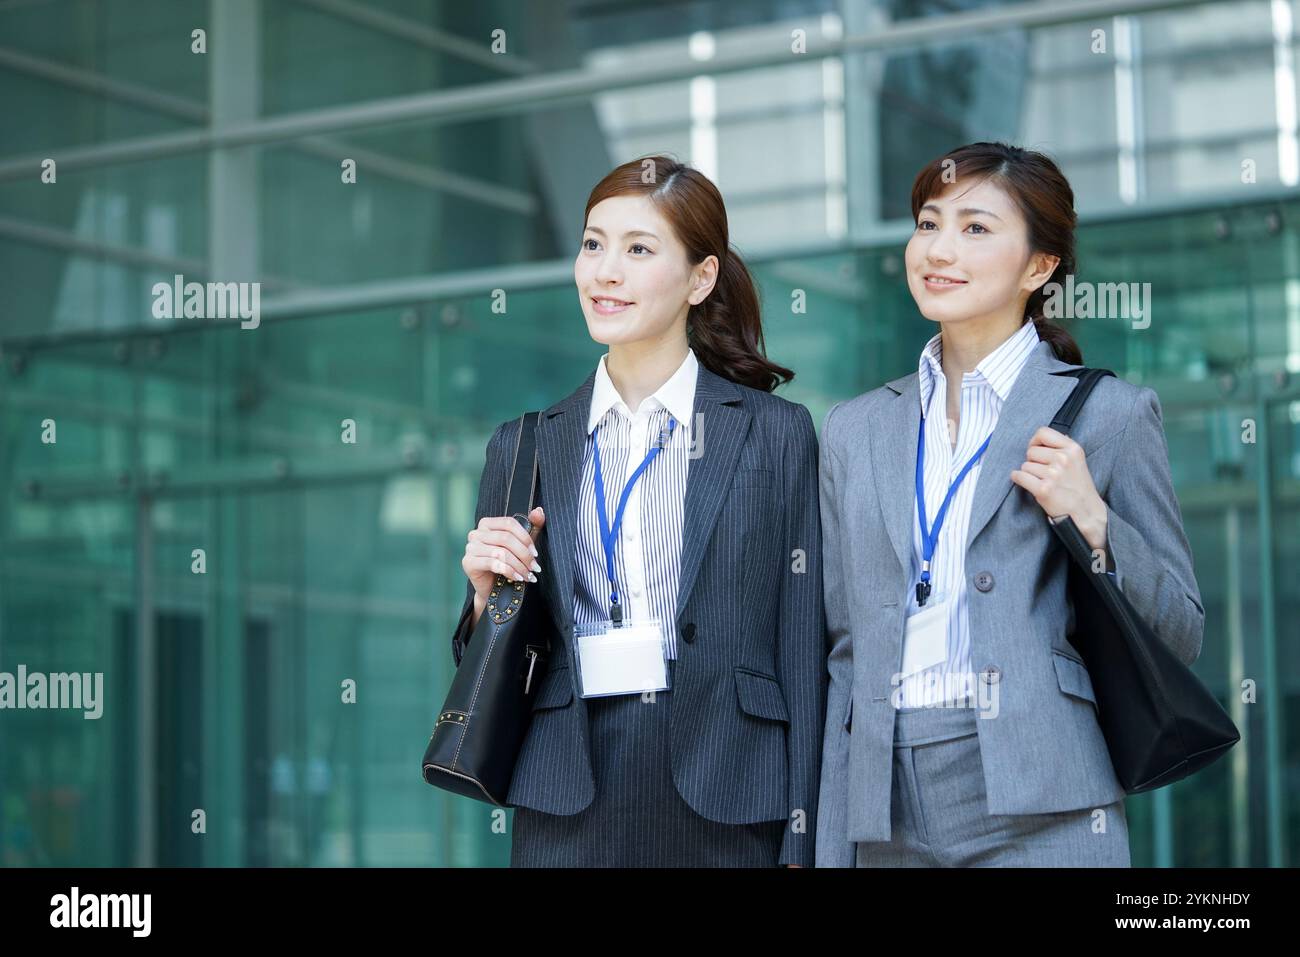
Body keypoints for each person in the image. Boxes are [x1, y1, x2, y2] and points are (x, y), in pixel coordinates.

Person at [814, 142, 1204, 867]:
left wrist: (1093, 517)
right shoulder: (853, 428)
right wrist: (835, 835)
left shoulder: (1108, 415)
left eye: (976, 228)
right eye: (928, 224)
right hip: (885, 801)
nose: (939, 249)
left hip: (1044, 794)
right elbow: (845, 649)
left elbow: (1181, 630)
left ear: (1040, 266)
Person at [450, 155, 825, 867]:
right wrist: (482, 599)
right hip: (569, 789)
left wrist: (805, 842)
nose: (604, 271)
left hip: (733, 788)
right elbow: (493, 662)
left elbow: (802, 649)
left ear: (701, 277)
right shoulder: (524, 445)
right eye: (593, 244)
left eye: (638, 249)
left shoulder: (774, 433)